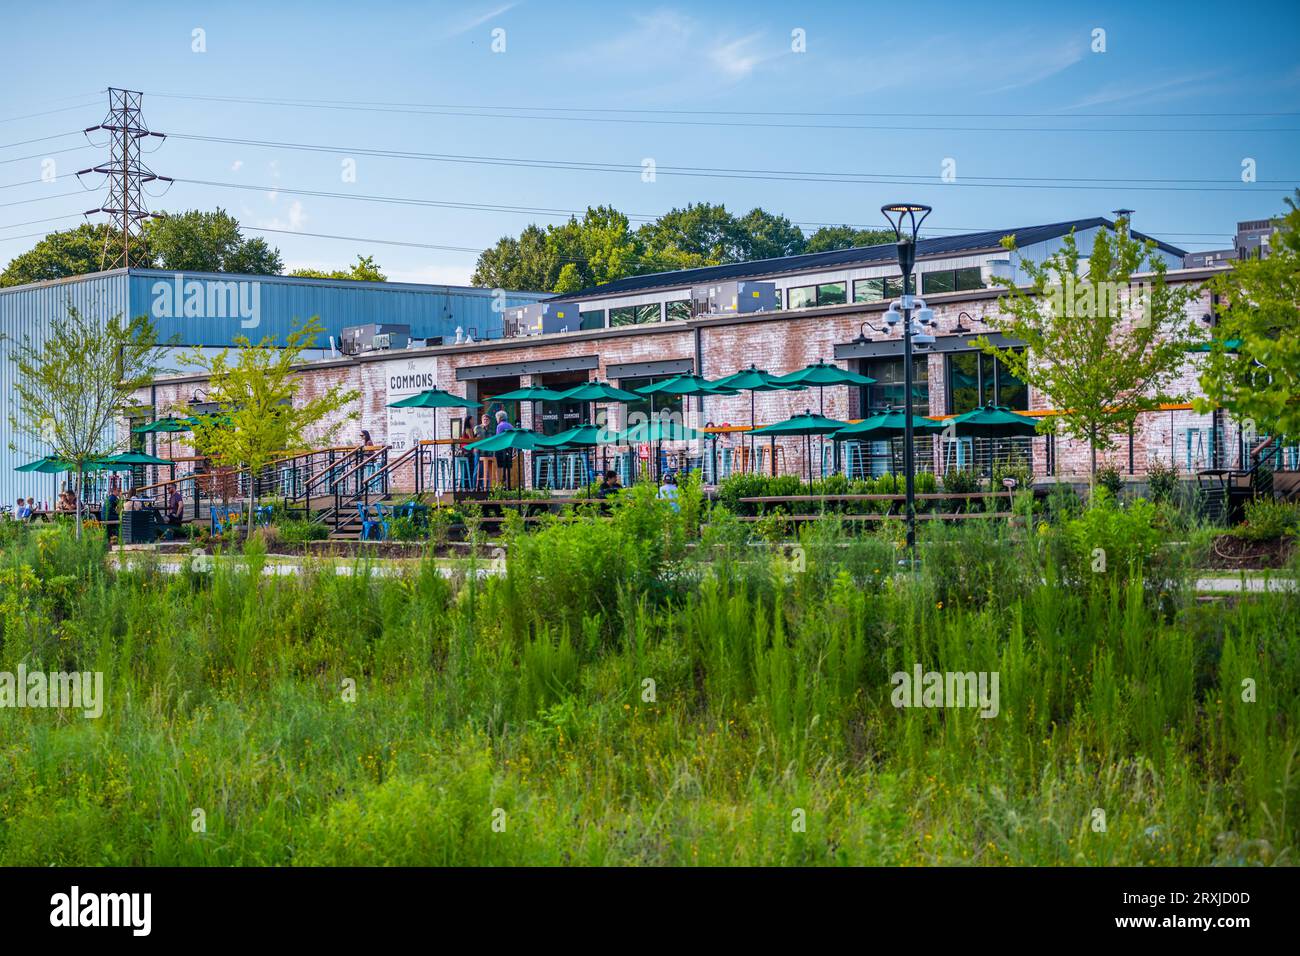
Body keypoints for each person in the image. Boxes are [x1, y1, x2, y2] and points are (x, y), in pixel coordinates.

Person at [493, 410, 514, 489]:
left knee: (499, 466)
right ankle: (508, 484)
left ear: (499, 418)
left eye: (496, 418)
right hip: (509, 448)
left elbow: (498, 438)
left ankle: (498, 485)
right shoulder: (510, 426)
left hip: (500, 448)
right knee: (508, 466)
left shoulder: (499, 426)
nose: (496, 420)